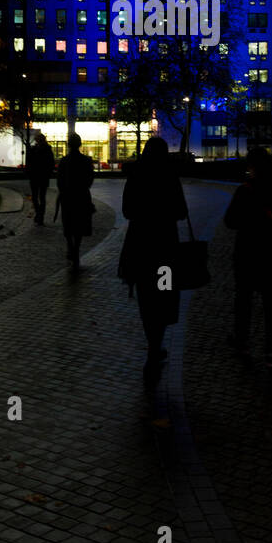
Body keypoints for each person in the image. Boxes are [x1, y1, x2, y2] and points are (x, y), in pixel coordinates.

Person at [118, 136, 188, 385]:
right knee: (163, 295)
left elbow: (127, 210)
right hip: (165, 247)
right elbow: (181, 211)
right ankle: (156, 344)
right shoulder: (169, 175)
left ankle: (152, 344)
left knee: (146, 298)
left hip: (139, 247)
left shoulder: (137, 173)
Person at [223, 146, 272, 370]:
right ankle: (271, 351)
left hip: (247, 253)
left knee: (244, 300)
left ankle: (242, 343)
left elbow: (230, 221)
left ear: (251, 166)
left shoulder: (245, 191)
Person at [55, 133, 95, 274]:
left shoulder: (64, 161)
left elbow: (59, 180)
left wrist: (63, 191)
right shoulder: (86, 161)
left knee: (68, 224)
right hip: (81, 196)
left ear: (68, 145)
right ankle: (75, 248)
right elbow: (90, 179)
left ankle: (71, 247)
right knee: (79, 224)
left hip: (67, 197)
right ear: (80, 144)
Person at [27, 132, 55, 225]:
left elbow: (30, 163)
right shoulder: (45, 150)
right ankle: (40, 215)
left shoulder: (41, 150)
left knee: (37, 198)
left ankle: (39, 216)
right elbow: (51, 164)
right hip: (41, 177)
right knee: (39, 198)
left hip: (38, 177)